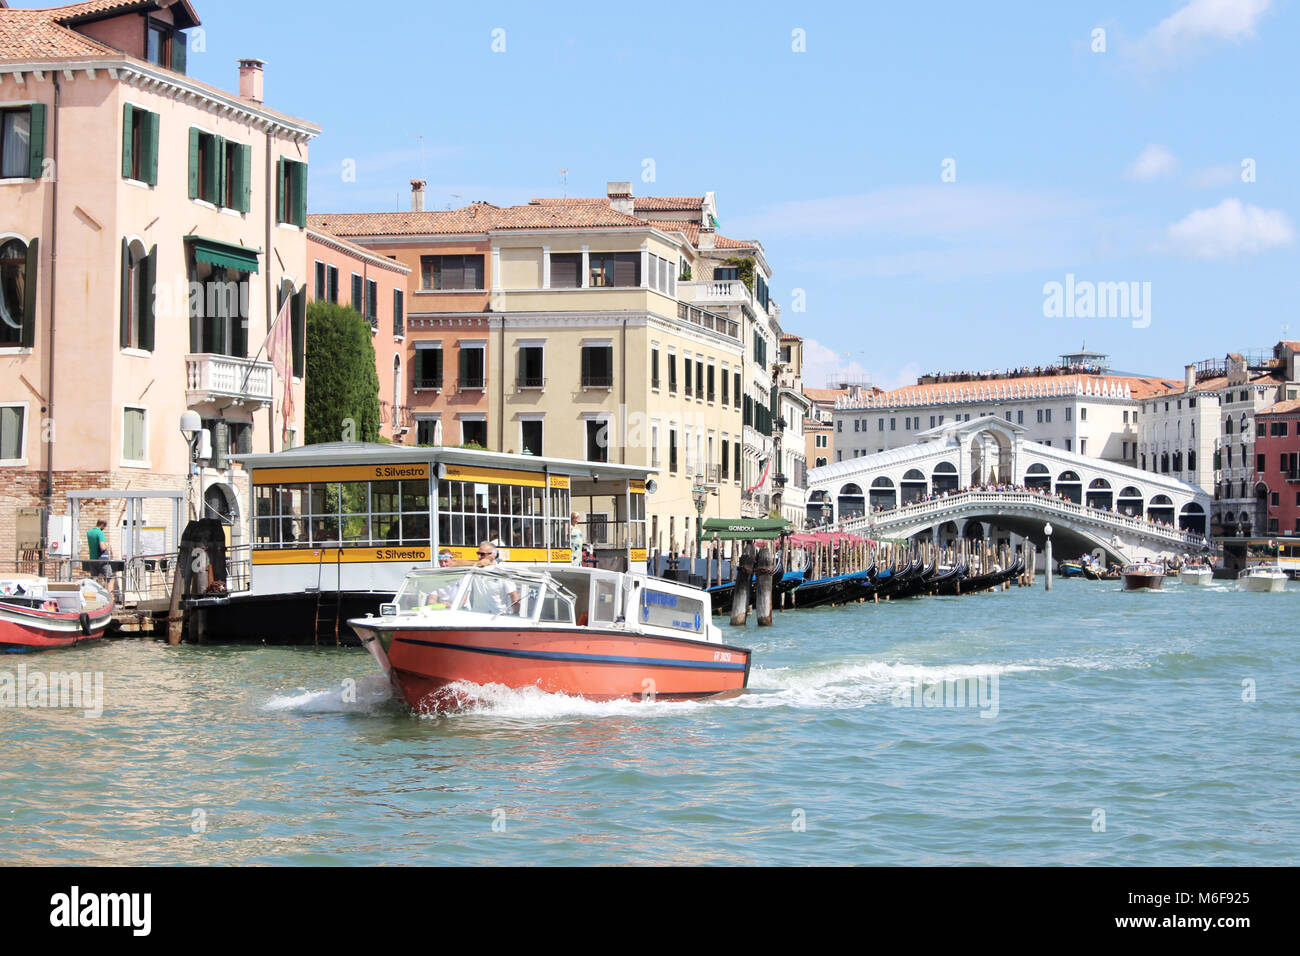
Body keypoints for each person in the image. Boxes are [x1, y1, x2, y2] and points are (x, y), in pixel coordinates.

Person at [467, 541, 521, 614]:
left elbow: (514, 596)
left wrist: (515, 615)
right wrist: (476, 564)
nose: (479, 557)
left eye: (482, 554)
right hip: (477, 617)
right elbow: (454, 563)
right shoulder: (476, 567)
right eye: (478, 553)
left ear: (493, 555)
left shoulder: (502, 571)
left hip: (497, 617)